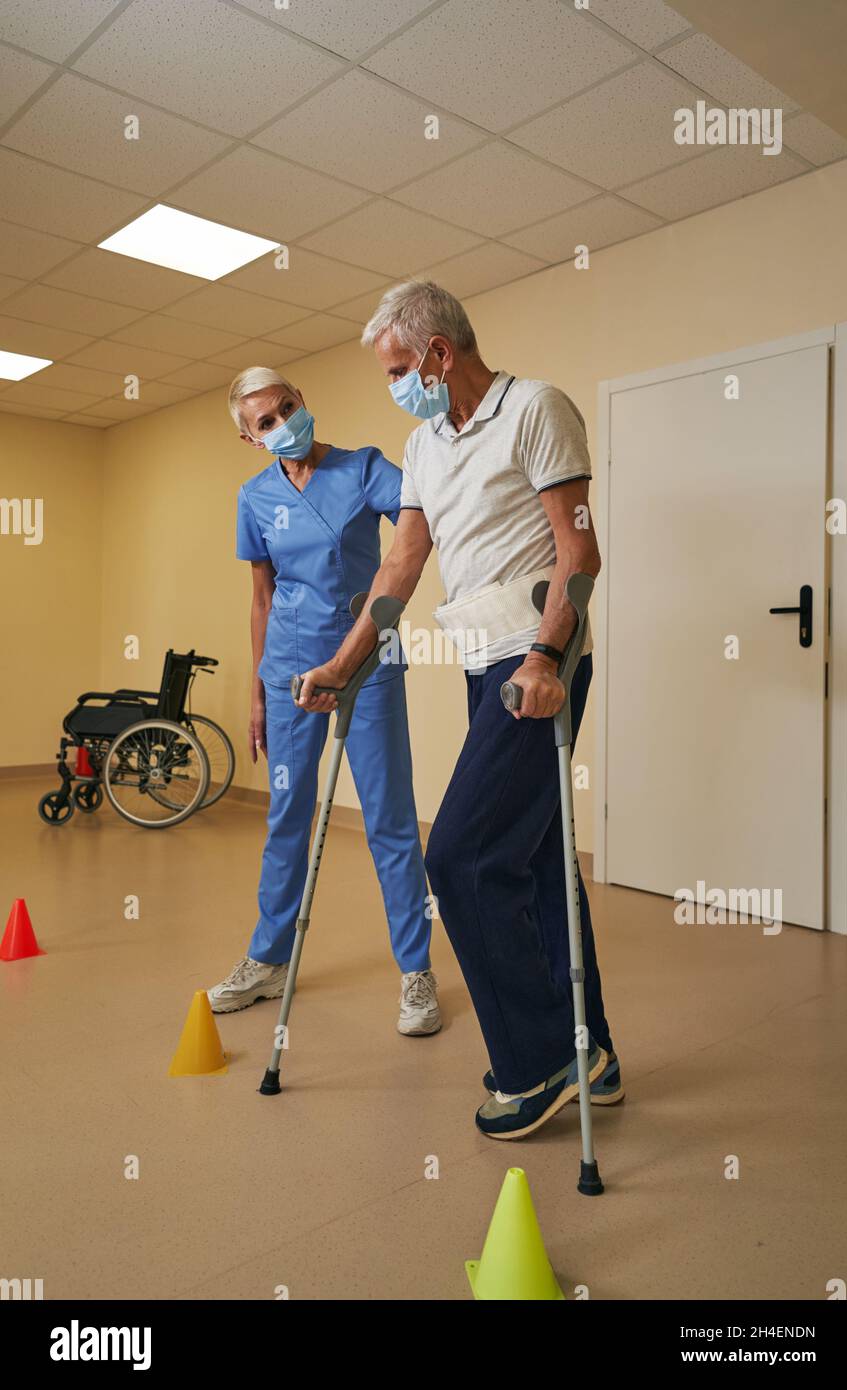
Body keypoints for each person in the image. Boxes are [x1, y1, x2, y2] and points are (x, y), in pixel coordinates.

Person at [294, 282, 622, 1139]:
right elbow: (400, 569)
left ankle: (538, 1057)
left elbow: (579, 551)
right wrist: (340, 662)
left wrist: (551, 655)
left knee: (463, 859)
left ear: (439, 353)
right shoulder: (423, 443)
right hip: (484, 661)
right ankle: (592, 1050)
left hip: (538, 657)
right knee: (542, 859)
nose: (396, 384)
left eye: (401, 367)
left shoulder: (536, 409)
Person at [207, 367, 440, 1037]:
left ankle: (417, 972)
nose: (284, 422)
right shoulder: (254, 498)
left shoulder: (363, 468)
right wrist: (256, 691)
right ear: (251, 439)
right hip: (288, 672)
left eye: (288, 406)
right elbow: (261, 598)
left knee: (389, 819)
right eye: (267, 421)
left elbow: (419, 528)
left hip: (367, 663)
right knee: (286, 815)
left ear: (303, 400)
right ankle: (268, 959)